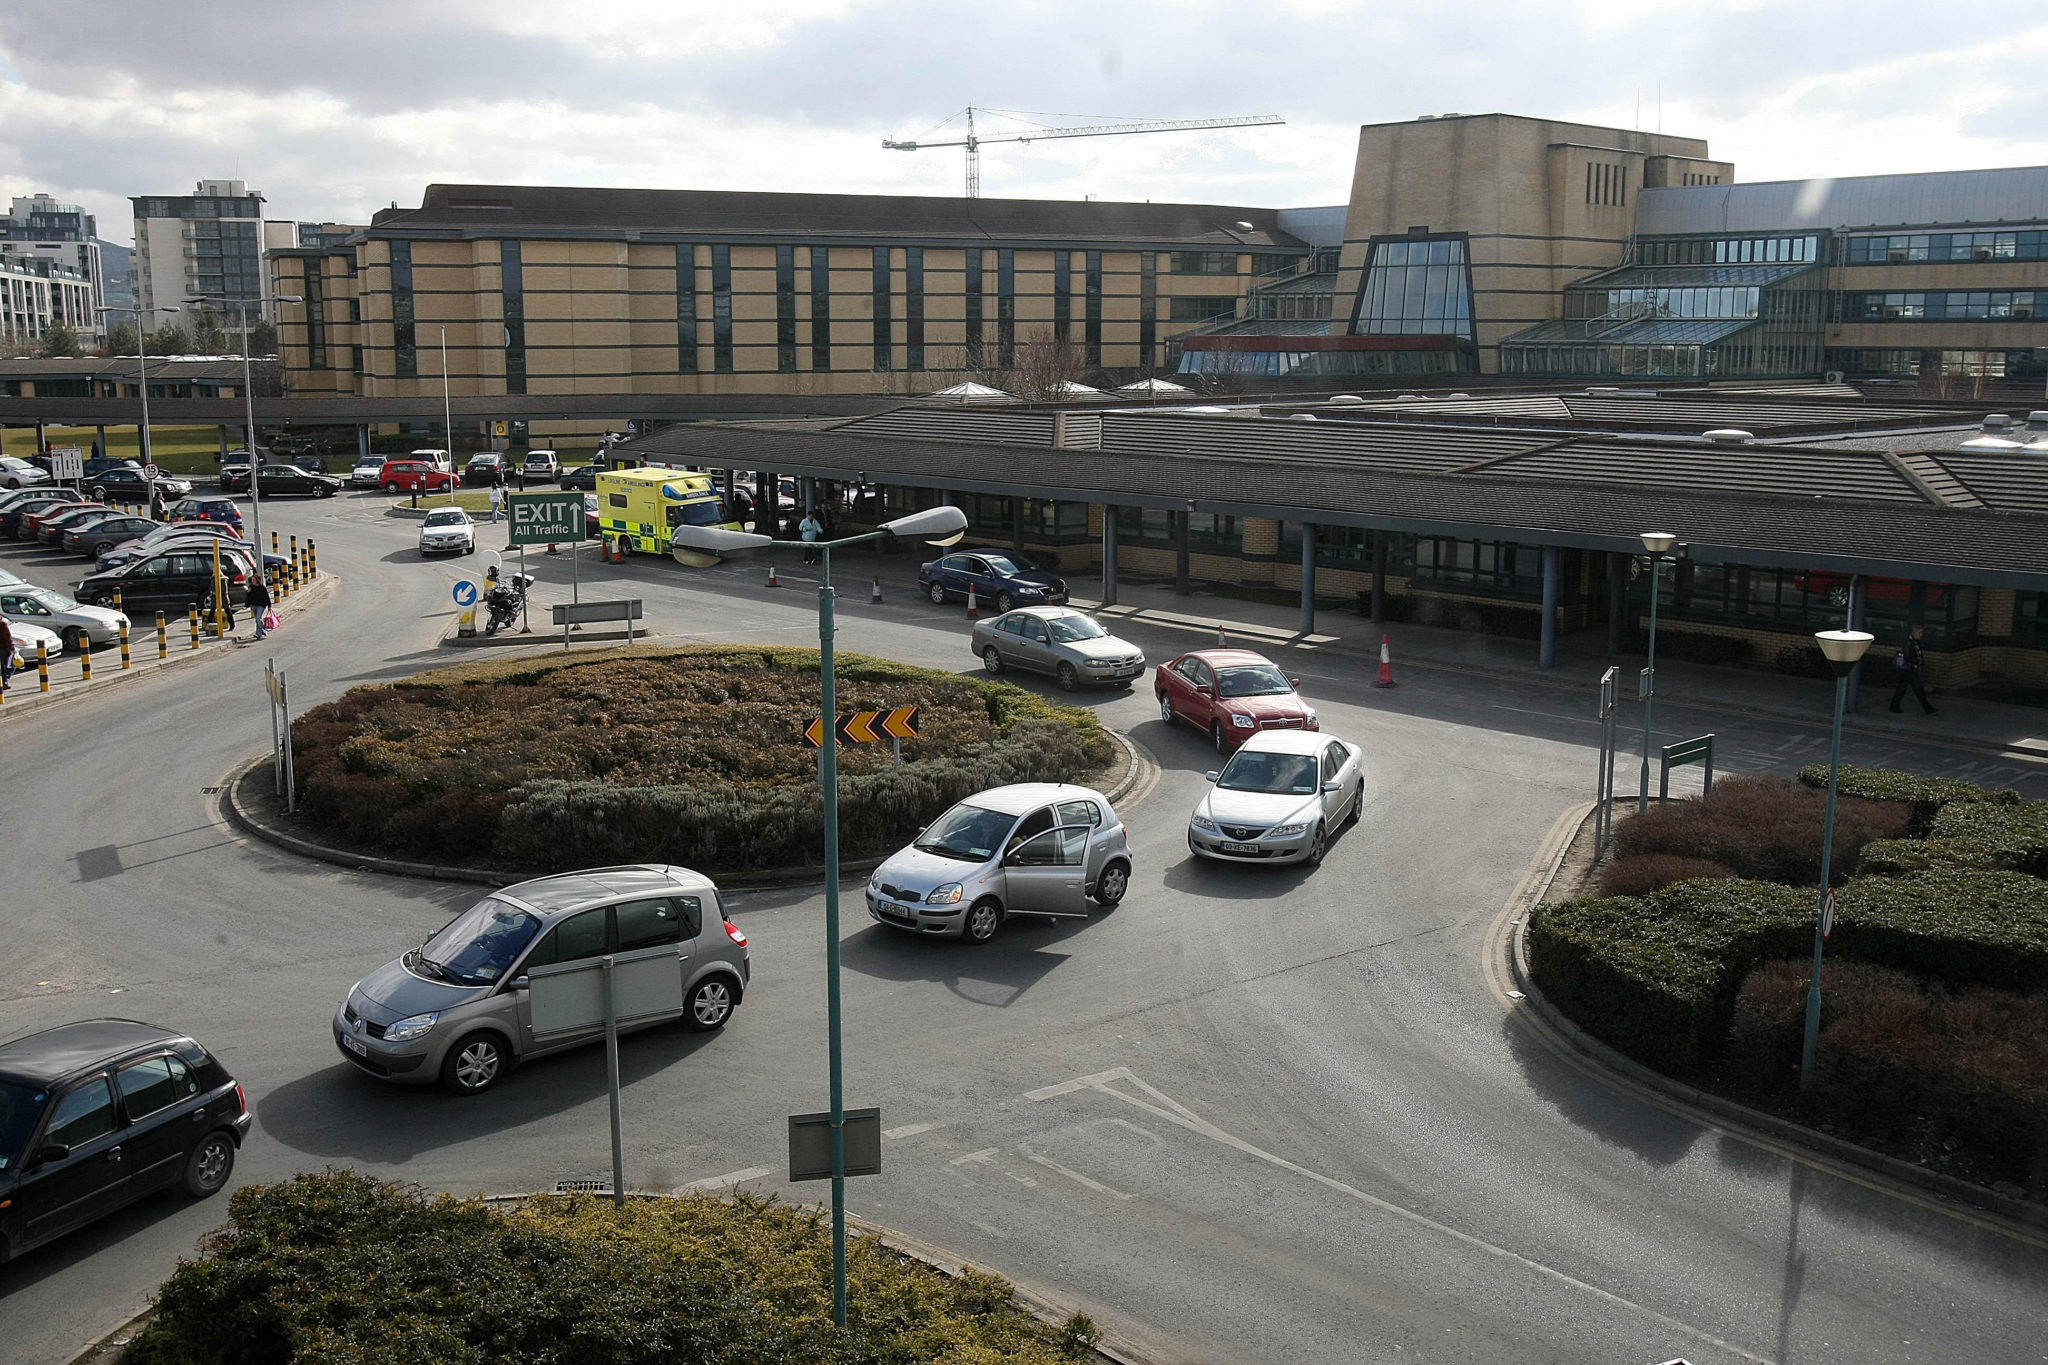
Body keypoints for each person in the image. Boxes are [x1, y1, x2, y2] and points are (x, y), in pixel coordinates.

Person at [1889, 624, 1938, 715]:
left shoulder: (1915, 642)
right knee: (1912, 688)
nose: (1921, 635)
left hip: (1910, 670)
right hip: (1909, 669)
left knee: (1907, 688)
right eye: (1920, 633)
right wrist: (1917, 662)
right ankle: (1927, 708)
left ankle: (1927, 708)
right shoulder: (1910, 643)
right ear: (1915, 633)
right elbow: (1908, 656)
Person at [247, 574, 273, 642]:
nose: (252, 581)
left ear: (257, 580)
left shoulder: (262, 588)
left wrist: (269, 606)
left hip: (261, 605)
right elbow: (248, 597)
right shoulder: (251, 587)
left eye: (254, 580)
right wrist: (246, 604)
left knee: (258, 618)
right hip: (254, 605)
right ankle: (263, 631)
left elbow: (267, 597)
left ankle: (258, 634)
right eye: (252, 580)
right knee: (257, 620)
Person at [0, 614, 14, 692]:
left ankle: (3, 682)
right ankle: (5, 682)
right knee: (10, 666)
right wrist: (12, 648)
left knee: (2, 667)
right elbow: (7, 637)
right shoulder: (2, 624)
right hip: (4, 648)